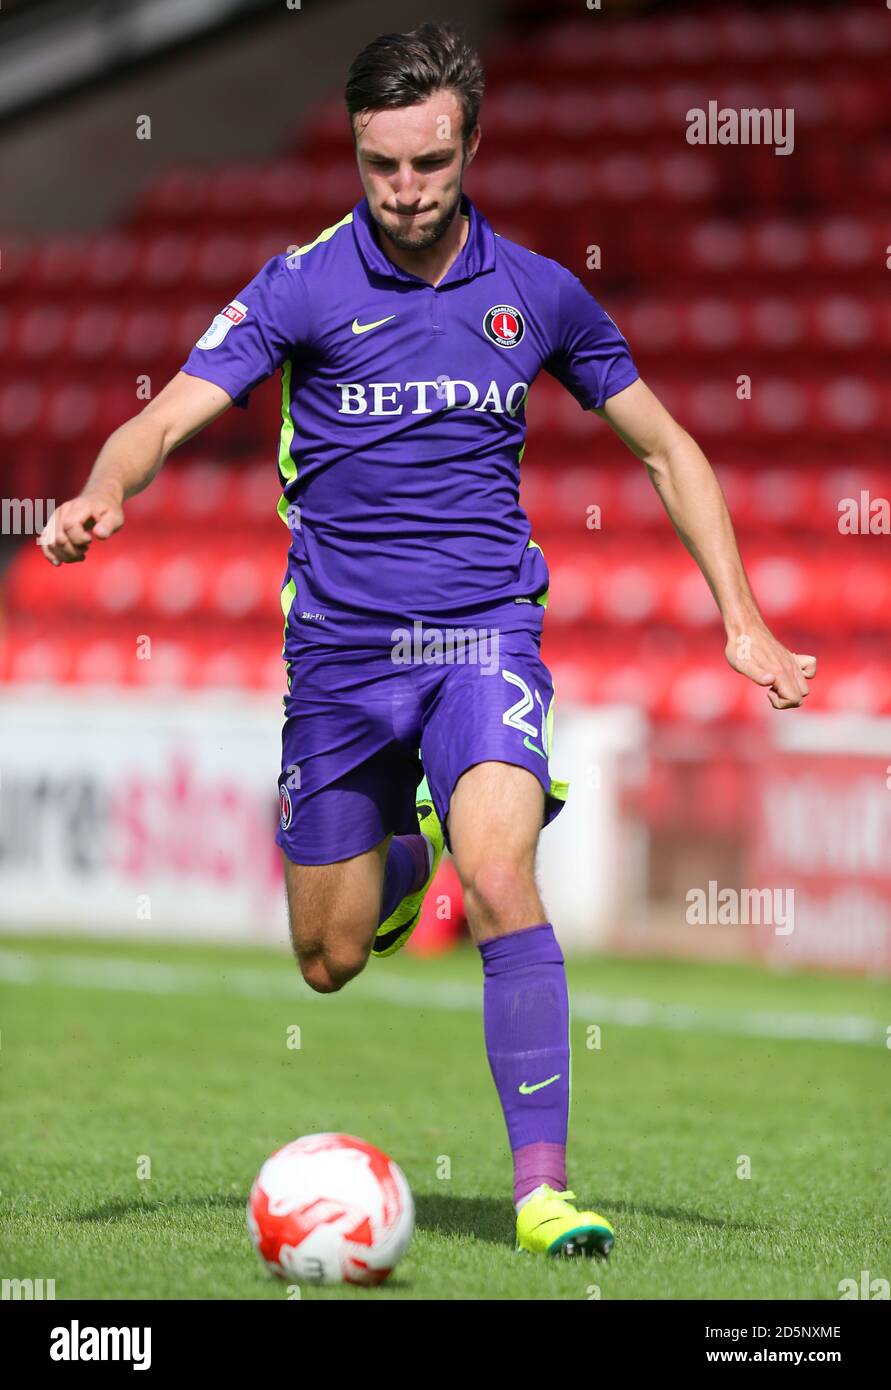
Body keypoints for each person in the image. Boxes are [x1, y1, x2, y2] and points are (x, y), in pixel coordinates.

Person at [40, 20, 816, 1260]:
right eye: (381, 166)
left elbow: (670, 447)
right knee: (327, 959)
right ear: (358, 152)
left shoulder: (538, 294)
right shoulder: (300, 283)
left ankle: (545, 1192)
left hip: (482, 639)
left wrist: (744, 621)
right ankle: (405, 871)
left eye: (428, 167)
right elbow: (165, 416)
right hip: (340, 662)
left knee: (507, 876)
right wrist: (102, 488)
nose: (404, 192)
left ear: (470, 148)